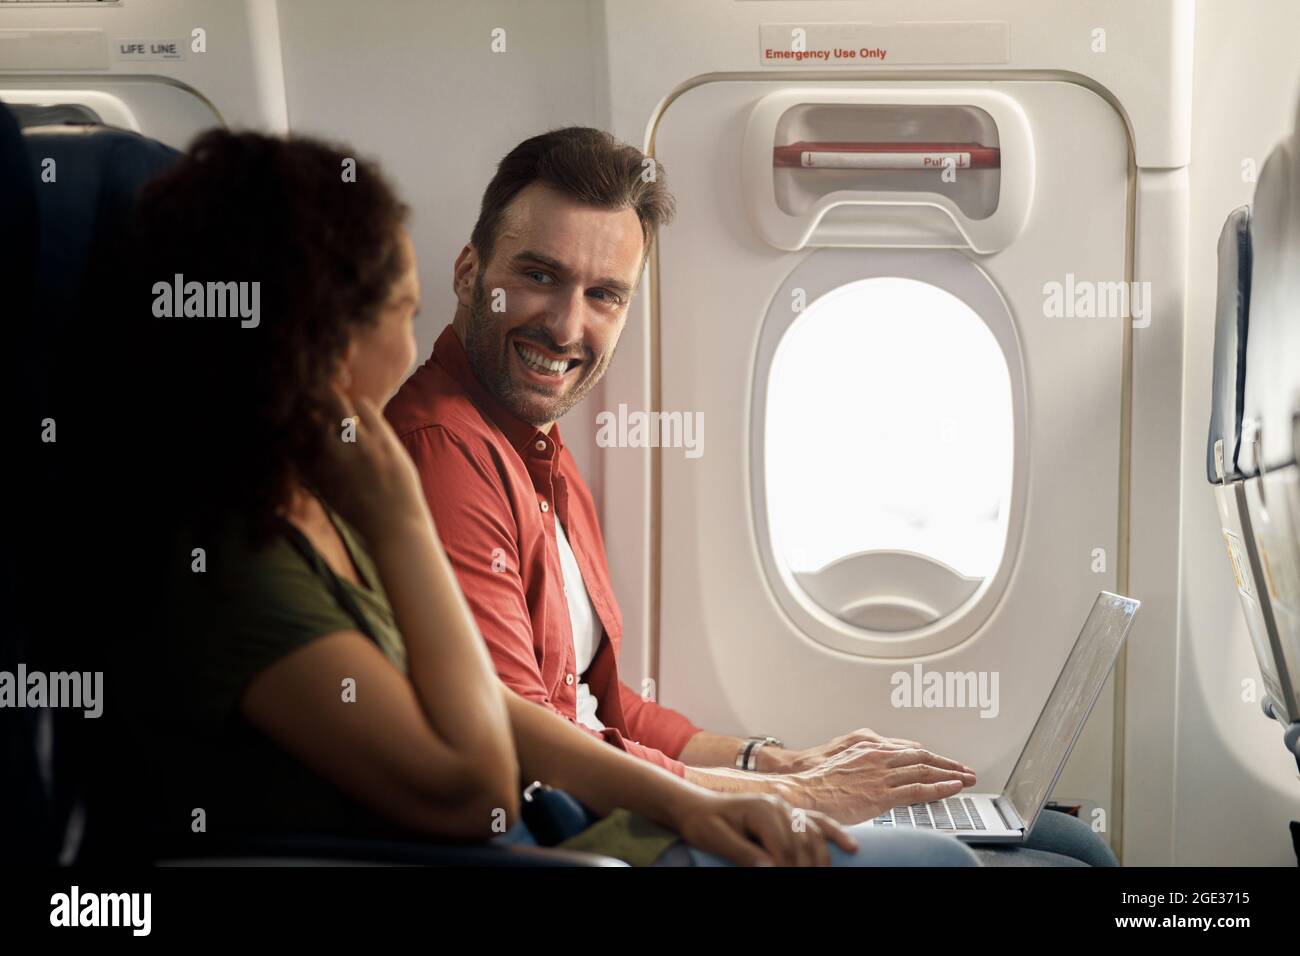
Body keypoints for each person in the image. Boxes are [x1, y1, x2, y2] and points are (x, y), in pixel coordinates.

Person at [84, 127, 979, 867]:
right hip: (530, 848)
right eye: (401, 310)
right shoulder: (242, 565)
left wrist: (726, 785)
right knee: (954, 864)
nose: (416, 340)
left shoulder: (322, 506)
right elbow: (477, 786)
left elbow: (517, 706)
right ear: (315, 345)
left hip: (553, 829)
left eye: (604, 295)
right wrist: (398, 525)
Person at [385, 126, 1118, 866]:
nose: (568, 326)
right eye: (540, 276)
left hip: (616, 801)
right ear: (470, 270)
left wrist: (774, 762)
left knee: (1069, 845)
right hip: (581, 831)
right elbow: (529, 745)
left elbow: (604, 708)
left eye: (604, 294)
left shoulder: (535, 444)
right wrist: (797, 798)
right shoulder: (445, 452)